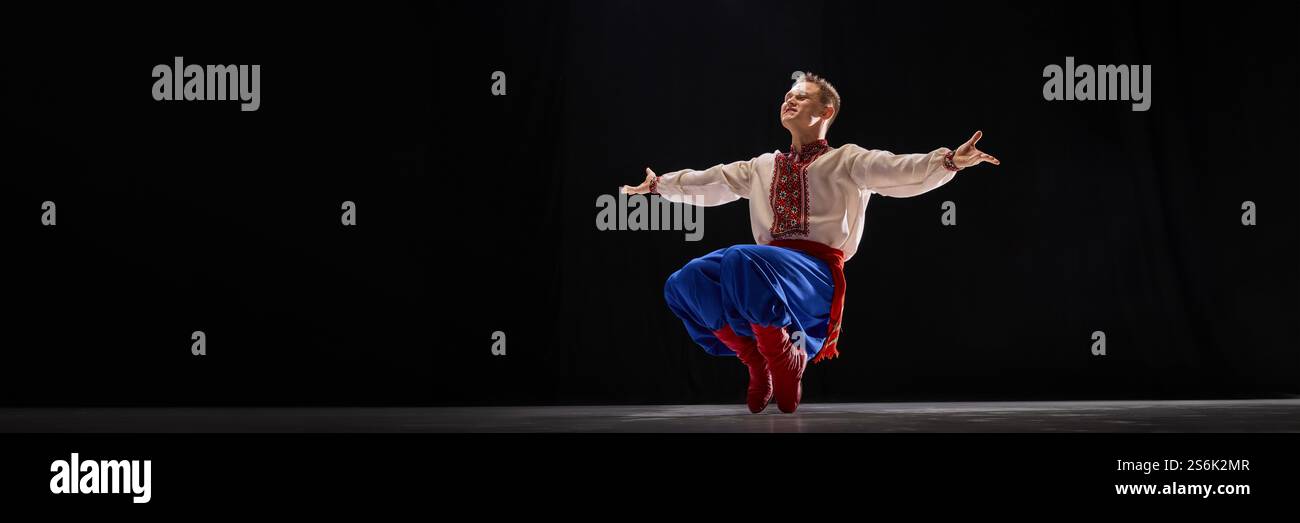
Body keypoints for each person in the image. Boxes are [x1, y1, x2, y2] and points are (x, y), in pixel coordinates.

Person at [621, 72, 999, 413]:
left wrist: (948, 161)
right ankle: (757, 361)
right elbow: (710, 181)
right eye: (787, 95)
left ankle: (785, 360)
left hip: (814, 274)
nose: (789, 100)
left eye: (800, 97)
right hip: (762, 268)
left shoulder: (847, 160)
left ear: (825, 111)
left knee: (740, 258)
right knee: (684, 282)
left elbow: (898, 168)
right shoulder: (762, 166)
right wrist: (659, 185)